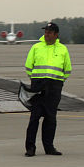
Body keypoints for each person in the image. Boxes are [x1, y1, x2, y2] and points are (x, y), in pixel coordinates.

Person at [24, 21, 72, 157]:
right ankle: (30, 148)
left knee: (51, 118)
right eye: (45, 32)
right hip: (38, 86)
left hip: (54, 87)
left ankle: (49, 147)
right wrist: (36, 80)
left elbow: (67, 69)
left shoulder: (63, 49)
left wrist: (59, 82)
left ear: (56, 35)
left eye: (49, 32)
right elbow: (28, 67)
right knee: (34, 118)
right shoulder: (36, 47)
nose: (46, 35)